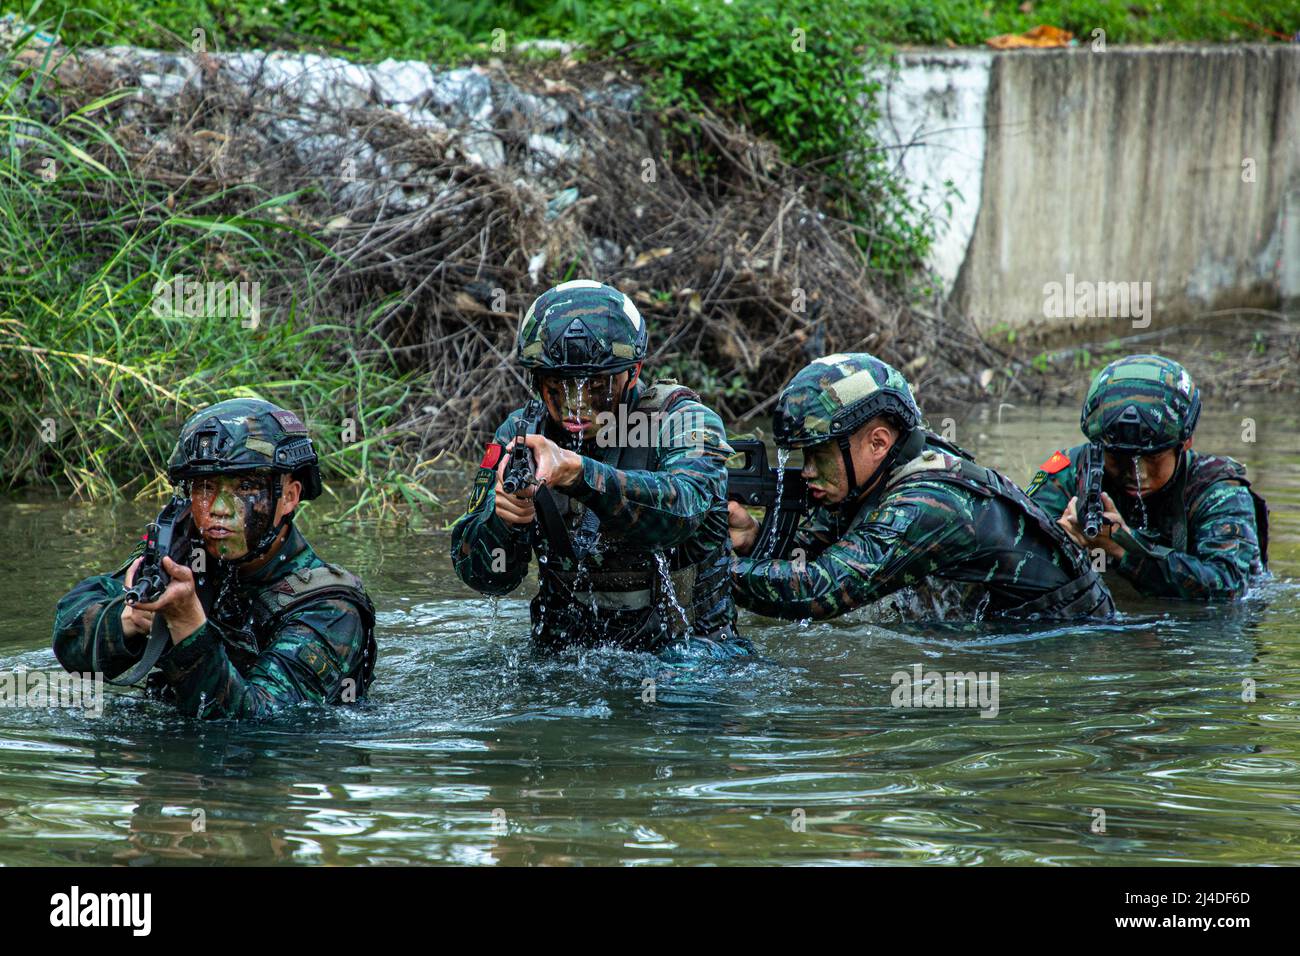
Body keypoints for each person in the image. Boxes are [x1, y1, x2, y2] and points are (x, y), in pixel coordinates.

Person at [451, 279, 751, 657]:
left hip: (689, 656)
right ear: (537, 380)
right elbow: (483, 576)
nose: (578, 404)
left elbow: (683, 511)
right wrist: (504, 522)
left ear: (634, 371)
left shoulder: (682, 422)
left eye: (597, 387)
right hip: (564, 658)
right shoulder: (521, 434)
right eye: (559, 387)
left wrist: (579, 474)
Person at [727, 352, 1114, 622]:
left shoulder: (928, 501)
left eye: (818, 456)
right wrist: (754, 539)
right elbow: (809, 560)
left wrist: (718, 567)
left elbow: (820, 590)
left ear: (877, 442)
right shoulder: (867, 477)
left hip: (1062, 645)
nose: (807, 472)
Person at [52, 399, 377, 718]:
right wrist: (129, 621)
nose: (219, 508)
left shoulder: (332, 609)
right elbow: (69, 628)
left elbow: (259, 723)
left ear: (289, 497)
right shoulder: (184, 556)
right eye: (205, 487)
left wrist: (186, 625)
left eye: (246, 487)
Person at [1025, 354, 1267, 601]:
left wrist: (1123, 549)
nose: (1136, 474)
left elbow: (1229, 588)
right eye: (1119, 457)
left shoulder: (1217, 488)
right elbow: (1009, 557)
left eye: (1152, 458)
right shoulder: (1067, 472)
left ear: (1185, 444)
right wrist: (1059, 542)